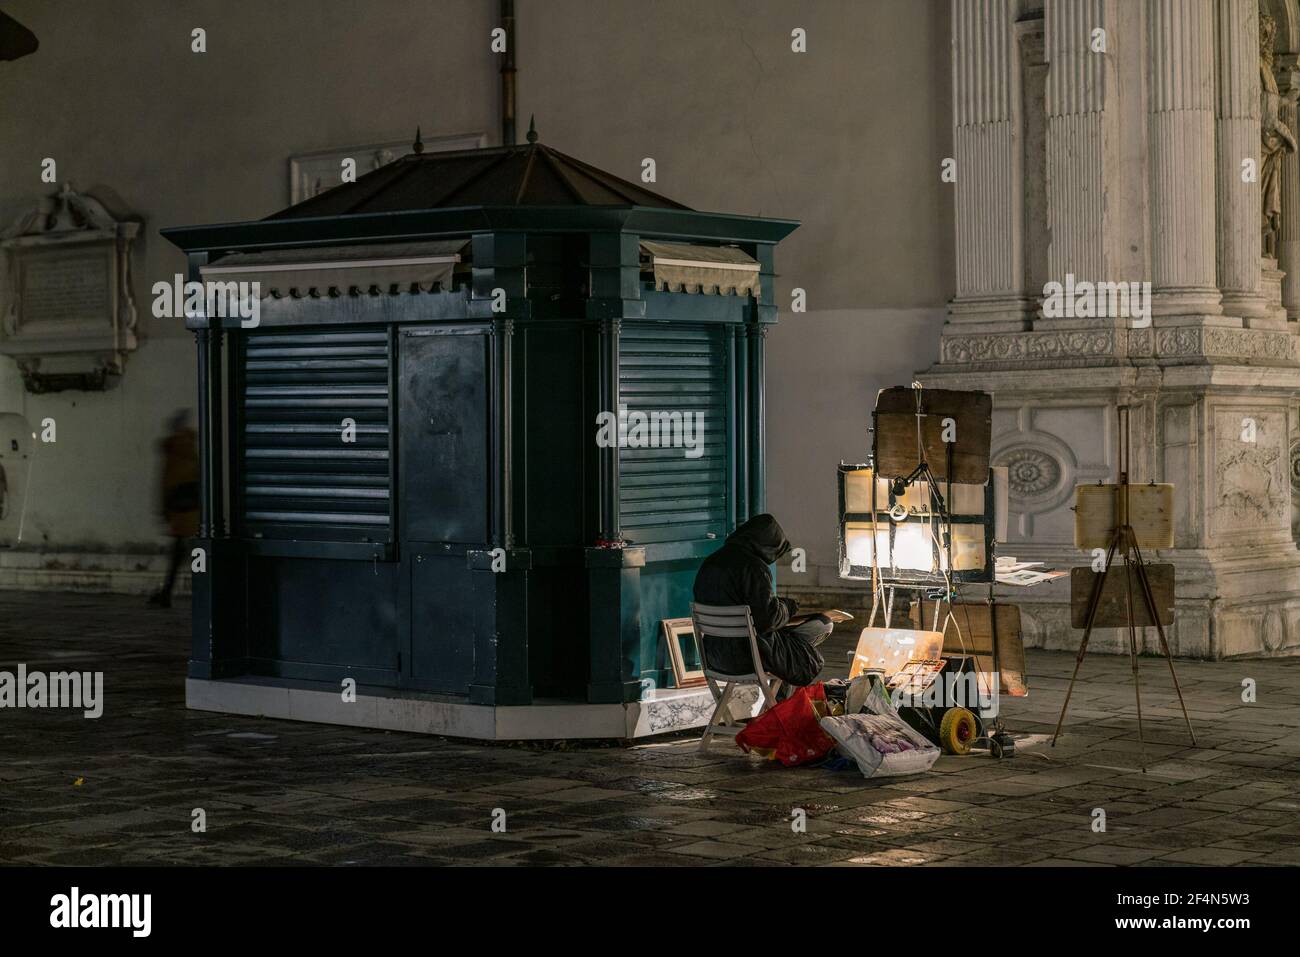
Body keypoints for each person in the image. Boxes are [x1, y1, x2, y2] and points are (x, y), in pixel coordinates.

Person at [692, 513, 832, 687]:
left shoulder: (710, 562)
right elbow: (766, 620)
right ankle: (778, 702)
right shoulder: (754, 567)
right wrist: (788, 607)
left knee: (794, 643)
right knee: (822, 625)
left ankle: (778, 698)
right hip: (749, 657)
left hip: (714, 657)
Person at [149, 410, 199, 608]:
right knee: (195, 555)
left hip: (179, 512)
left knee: (179, 556)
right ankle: (170, 593)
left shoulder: (172, 451)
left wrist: (163, 510)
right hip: (195, 511)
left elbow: (166, 483)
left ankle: (166, 594)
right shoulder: (192, 449)